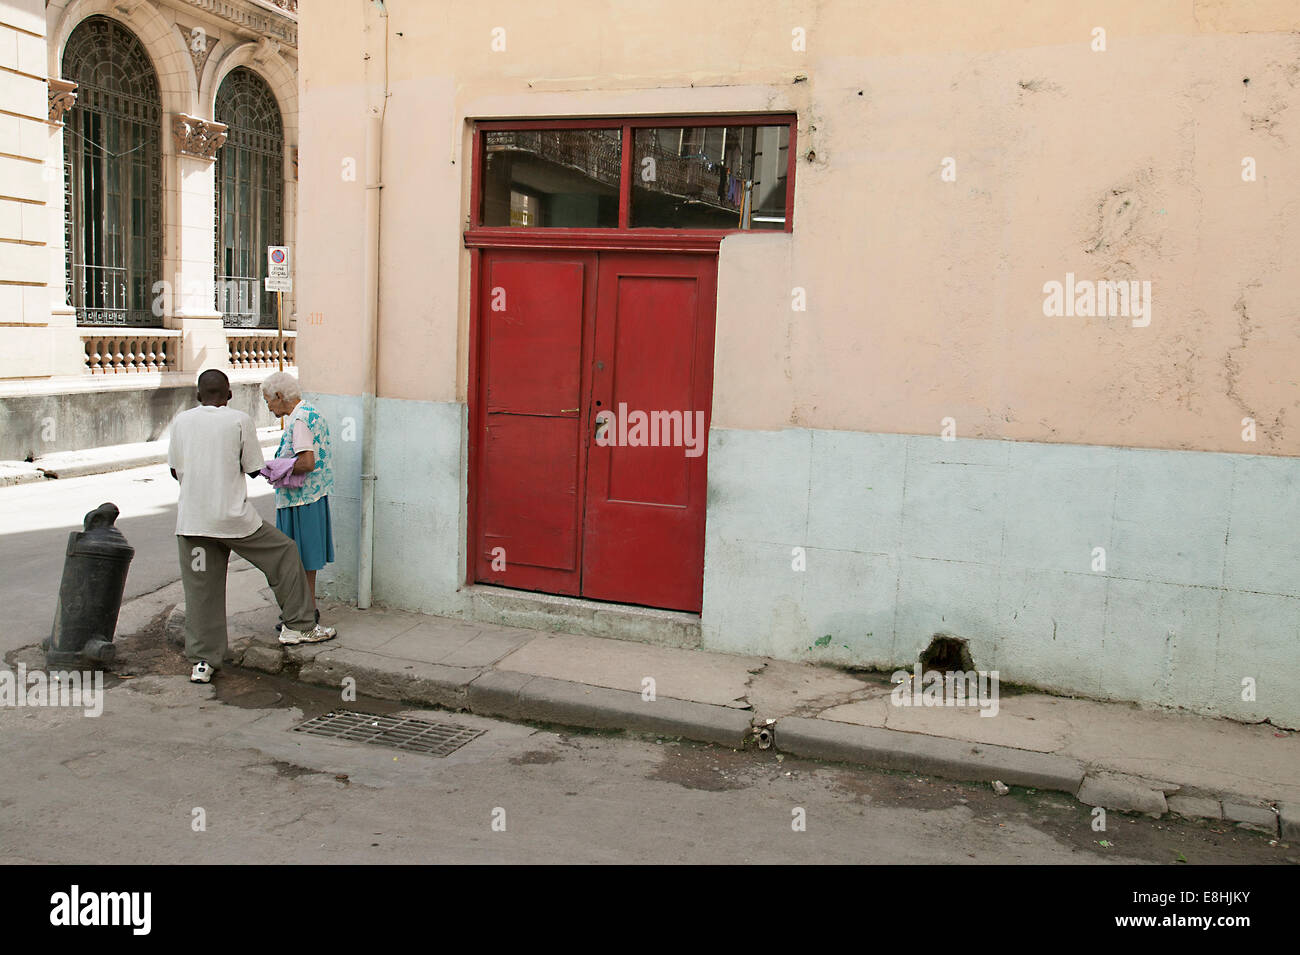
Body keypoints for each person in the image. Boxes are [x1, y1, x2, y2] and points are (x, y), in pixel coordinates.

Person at [168, 369, 336, 684]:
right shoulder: (239, 420)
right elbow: (255, 468)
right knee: (285, 553)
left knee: (201, 591)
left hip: (192, 521)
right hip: (234, 519)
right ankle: (300, 624)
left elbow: (175, 471)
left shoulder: (181, 422)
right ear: (229, 395)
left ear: (197, 395)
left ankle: (203, 662)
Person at [260, 371, 334, 629]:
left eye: (268, 399)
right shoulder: (310, 411)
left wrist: (276, 467)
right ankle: (307, 609)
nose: (268, 406)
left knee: (298, 560)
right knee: (305, 560)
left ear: (280, 396)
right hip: (310, 498)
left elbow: (306, 462)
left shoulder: (299, 420)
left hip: (301, 501)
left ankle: (303, 612)